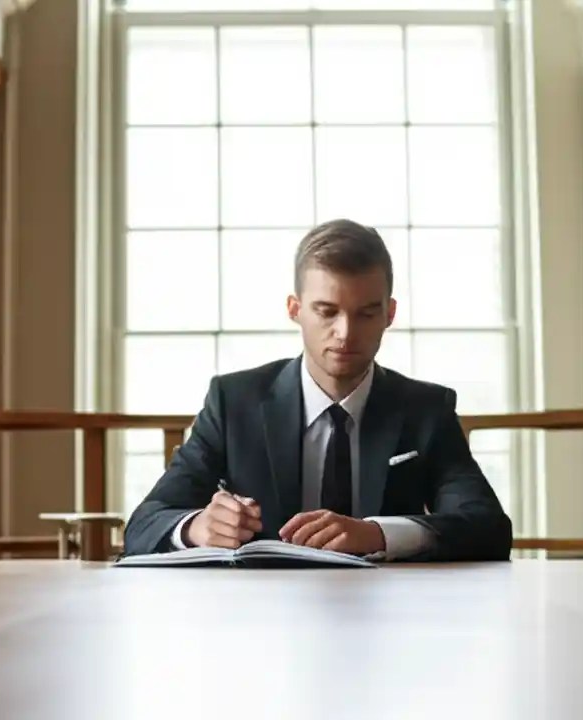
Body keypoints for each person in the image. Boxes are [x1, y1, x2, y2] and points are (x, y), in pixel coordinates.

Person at [122, 219, 512, 562]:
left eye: (366, 313)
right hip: (258, 612)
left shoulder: (426, 410)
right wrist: (196, 528)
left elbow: (488, 528)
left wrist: (376, 534)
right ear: (295, 309)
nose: (345, 333)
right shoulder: (234, 402)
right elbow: (144, 525)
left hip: (391, 610)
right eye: (327, 312)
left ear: (389, 314)